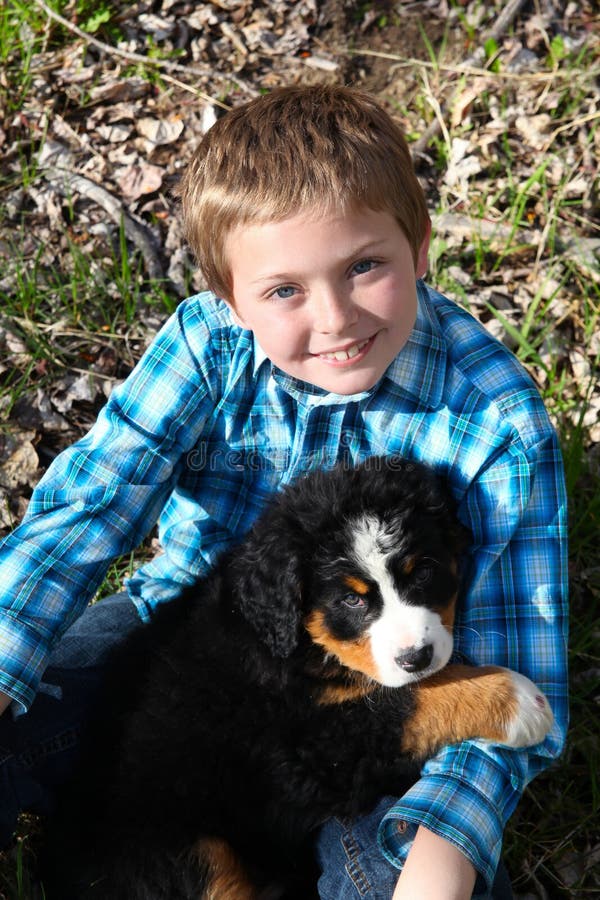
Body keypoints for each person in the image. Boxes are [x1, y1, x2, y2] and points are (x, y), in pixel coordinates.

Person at [0, 84, 568, 899]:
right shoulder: (204, 346)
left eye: (364, 266)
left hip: (405, 714)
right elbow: (85, 512)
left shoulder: (499, 422)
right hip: (188, 656)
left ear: (421, 246)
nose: (334, 318)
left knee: (419, 874)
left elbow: (520, 666)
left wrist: (443, 851)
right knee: (29, 709)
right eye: (284, 291)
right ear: (230, 301)